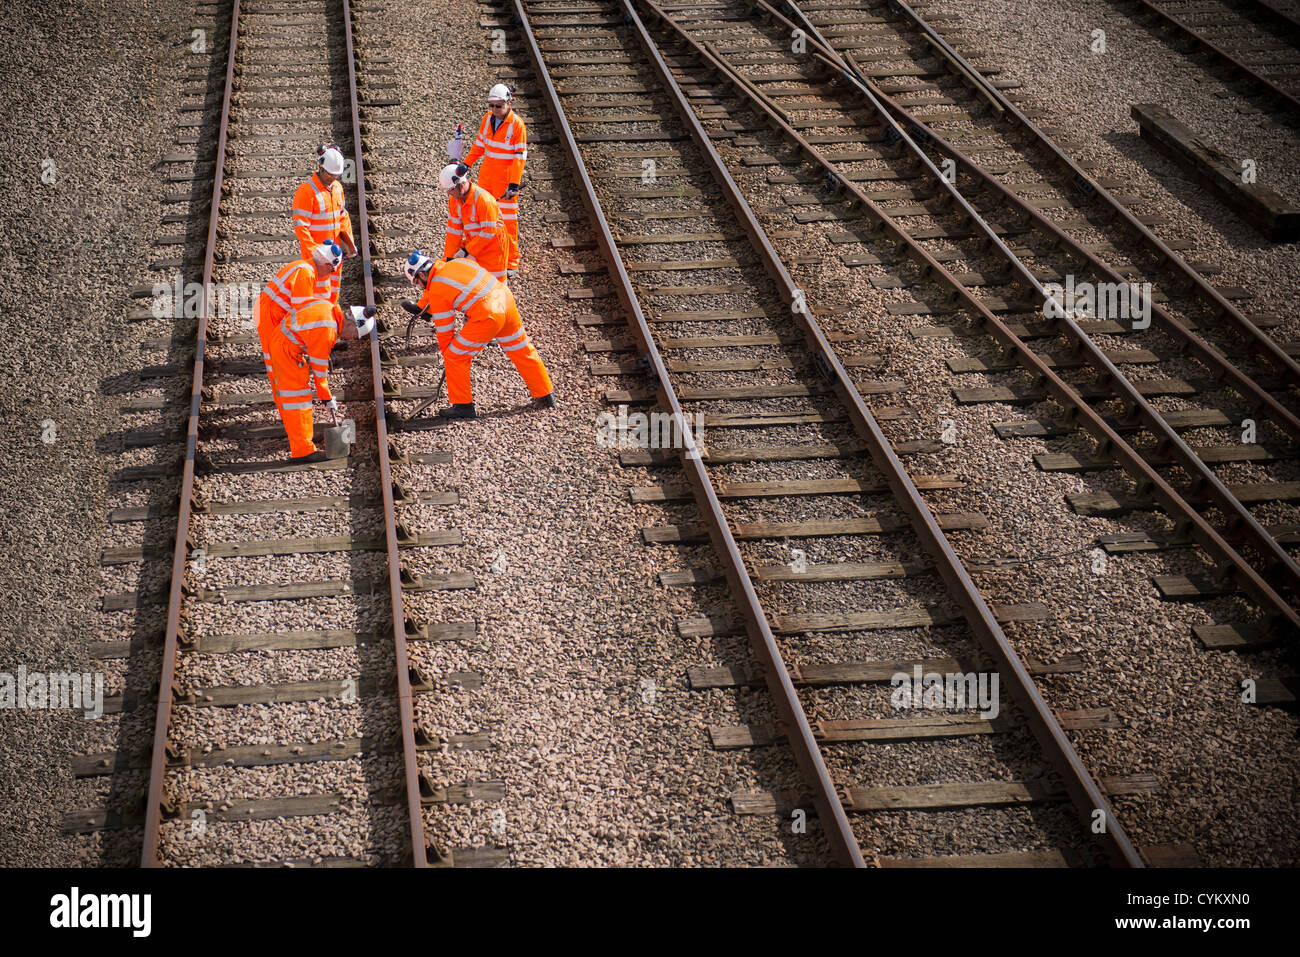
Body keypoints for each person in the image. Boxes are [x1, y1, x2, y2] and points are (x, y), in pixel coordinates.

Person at [403, 250, 554, 419]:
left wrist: (449, 357)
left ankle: (463, 406)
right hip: (506, 300)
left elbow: (445, 329)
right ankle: (545, 393)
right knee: (521, 347)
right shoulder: (455, 263)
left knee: (455, 355)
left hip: (488, 315)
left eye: (417, 282)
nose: (419, 287)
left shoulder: (437, 289)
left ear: (422, 275)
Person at [258, 291, 372, 462]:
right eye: (354, 335)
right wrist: (327, 398)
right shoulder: (327, 331)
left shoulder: (327, 307)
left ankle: (300, 437)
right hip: (285, 351)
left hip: (283, 342)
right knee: (298, 401)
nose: (349, 339)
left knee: (297, 397)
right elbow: (320, 373)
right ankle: (303, 451)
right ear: (352, 325)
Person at [456, 84, 526, 276]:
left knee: (508, 221)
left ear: (508, 103)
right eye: (492, 106)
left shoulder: (517, 124)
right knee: (484, 218)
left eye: (498, 106)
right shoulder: (487, 120)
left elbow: (519, 157)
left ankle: (511, 261)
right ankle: (486, 255)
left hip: (505, 181)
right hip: (486, 177)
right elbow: (479, 146)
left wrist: (513, 183)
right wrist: (467, 164)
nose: (495, 110)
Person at [291, 145, 358, 303]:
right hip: (319, 259)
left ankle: (330, 324)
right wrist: (316, 256)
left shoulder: (337, 188)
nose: (333, 177)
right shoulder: (306, 192)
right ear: (320, 167)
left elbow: (342, 217)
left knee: (333, 295)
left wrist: (349, 243)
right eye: (330, 174)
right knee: (318, 297)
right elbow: (302, 228)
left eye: (336, 175)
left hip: (335, 256)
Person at [438, 164, 511, 281]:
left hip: (494, 247)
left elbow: (489, 232)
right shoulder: (454, 200)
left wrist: (467, 250)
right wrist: (449, 258)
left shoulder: (484, 200)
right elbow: (453, 231)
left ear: (460, 185)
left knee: (497, 283)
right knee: (477, 281)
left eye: (450, 190)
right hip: (476, 243)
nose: (448, 194)